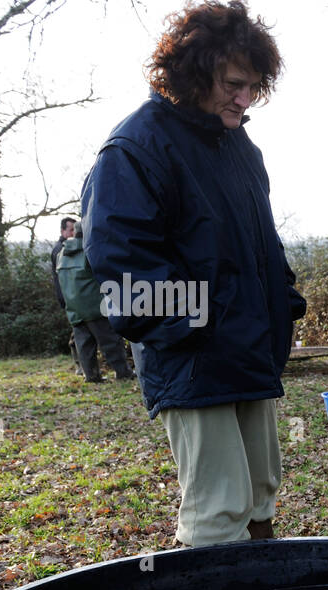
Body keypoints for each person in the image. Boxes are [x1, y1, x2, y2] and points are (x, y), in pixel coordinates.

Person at [82, 0, 305, 545]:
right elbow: (124, 272)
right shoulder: (135, 147)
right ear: (193, 70)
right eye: (233, 83)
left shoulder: (239, 147)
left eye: (253, 86)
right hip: (193, 363)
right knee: (217, 509)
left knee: (259, 492)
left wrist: (283, 305)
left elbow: (262, 248)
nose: (244, 98)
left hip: (251, 352)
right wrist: (200, 325)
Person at [56, 222, 135, 383]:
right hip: (94, 304)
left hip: (73, 306)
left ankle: (91, 376)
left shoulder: (60, 253)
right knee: (111, 341)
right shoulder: (89, 250)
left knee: (84, 344)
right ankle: (123, 372)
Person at [50, 217, 76, 308]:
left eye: (75, 230)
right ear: (62, 231)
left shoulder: (69, 248)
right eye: (71, 230)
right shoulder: (60, 250)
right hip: (68, 300)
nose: (74, 233)